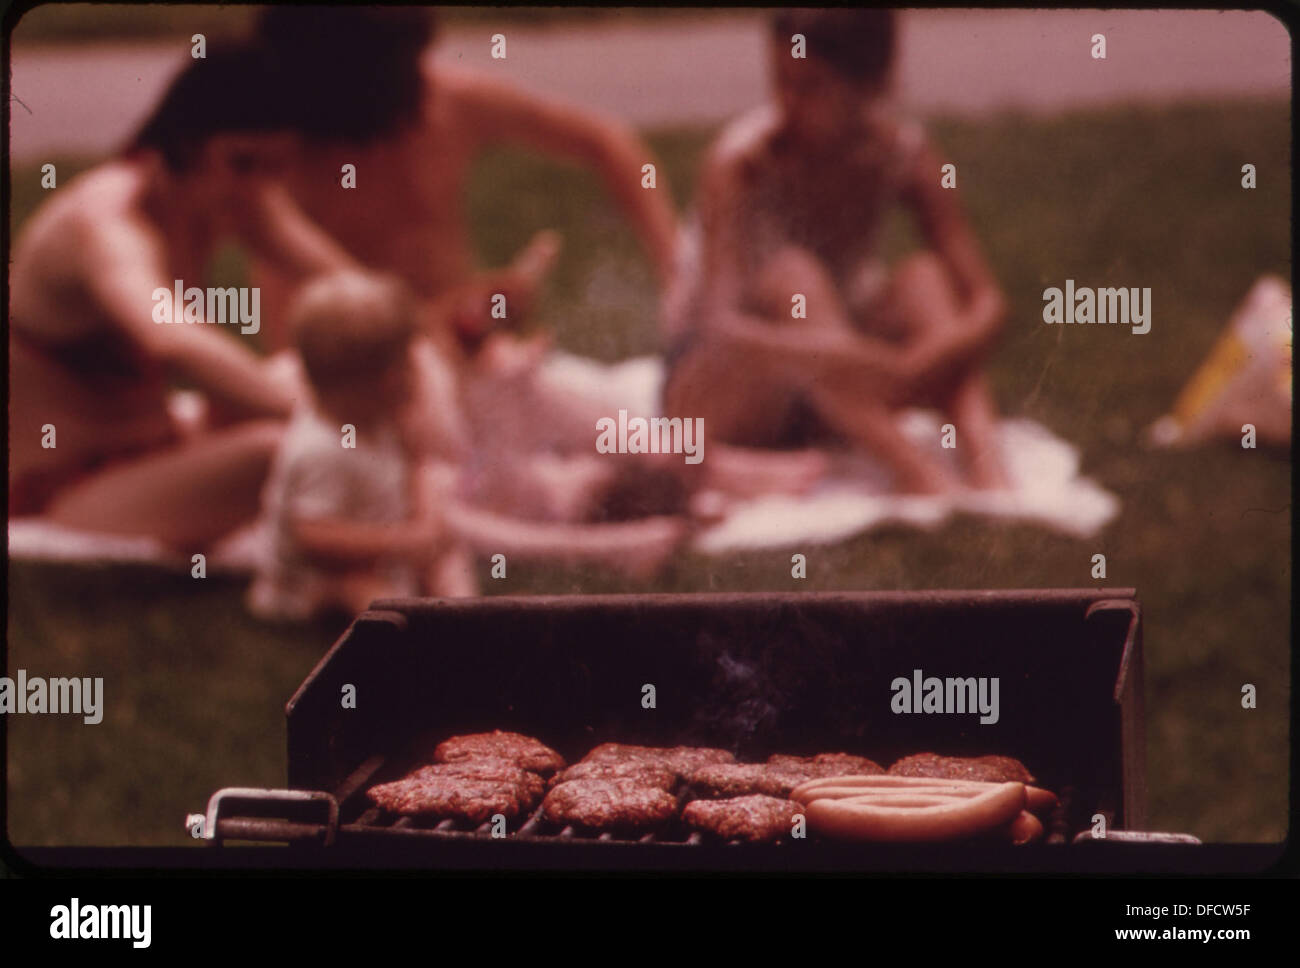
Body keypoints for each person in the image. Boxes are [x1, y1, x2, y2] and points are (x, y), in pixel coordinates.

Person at [8, 44, 354, 547]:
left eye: (276, 168)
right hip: (61, 484)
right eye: (243, 164)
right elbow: (171, 340)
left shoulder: (221, 195)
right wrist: (331, 419)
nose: (258, 188)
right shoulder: (104, 224)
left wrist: (431, 333)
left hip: (160, 452)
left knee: (311, 374)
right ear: (186, 145)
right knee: (276, 451)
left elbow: (349, 285)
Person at [662, 8, 1010, 494]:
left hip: (833, 395)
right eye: (781, 82)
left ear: (871, 87)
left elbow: (987, 302)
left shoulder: (902, 155)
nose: (788, 102)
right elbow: (720, 327)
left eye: (811, 87)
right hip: (725, 391)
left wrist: (929, 361)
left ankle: (989, 466)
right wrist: (853, 360)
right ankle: (916, 473)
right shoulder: (743, 163)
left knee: (924, 279)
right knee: (793, 276)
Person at [248, 271, 471, 619]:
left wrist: (426, 521)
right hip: (312, 583)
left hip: (387, 555)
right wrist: (403, 541)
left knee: (447, 557)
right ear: (390, 381)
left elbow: (415, 461)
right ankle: (416, 641)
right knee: (362, 591)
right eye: (411, 360)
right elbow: (314, 538)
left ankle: (465, 617)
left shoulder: (380, 421)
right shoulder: (321, 450)